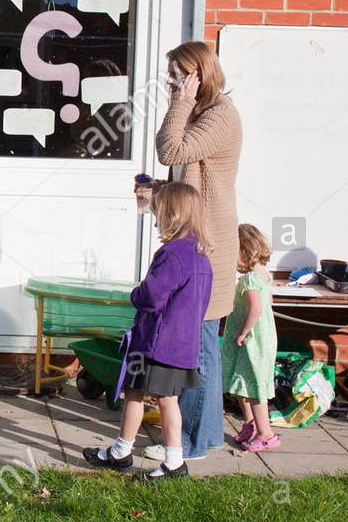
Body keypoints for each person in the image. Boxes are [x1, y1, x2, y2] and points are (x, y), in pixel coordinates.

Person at [83, 182, 213, 480]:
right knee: (136, 392)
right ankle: (121, 452)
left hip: (156, 343)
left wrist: (135, 294)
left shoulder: (173, 253)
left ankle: (174, 463)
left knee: (159, 399)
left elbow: (152, 296)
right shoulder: (200, 256)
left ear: (172, 215)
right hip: (180, 344)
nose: (155, 220)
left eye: (158, 214)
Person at [153, 41, 242, 462]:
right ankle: (200, 437)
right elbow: (176, 157)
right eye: (171, 75)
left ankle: (192, 441)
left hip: (212, 247)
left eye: (177, 75)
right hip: (198, 242)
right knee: (199, 341)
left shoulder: (221, 115)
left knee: (201, 345)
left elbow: (171, 149)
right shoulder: (203, 113)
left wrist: (181, 102)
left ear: (197, 75)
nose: (171, 83)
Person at [222, 224, 280, 451]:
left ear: (243, 252)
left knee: (255, 388)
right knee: (242, 383)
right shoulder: (265, 275)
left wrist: (243, 332)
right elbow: (269, 304)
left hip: (252, 342)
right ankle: (251, 424)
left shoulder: (248, 280)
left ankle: (266, 434)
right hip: (263, 339)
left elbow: (255, 309)